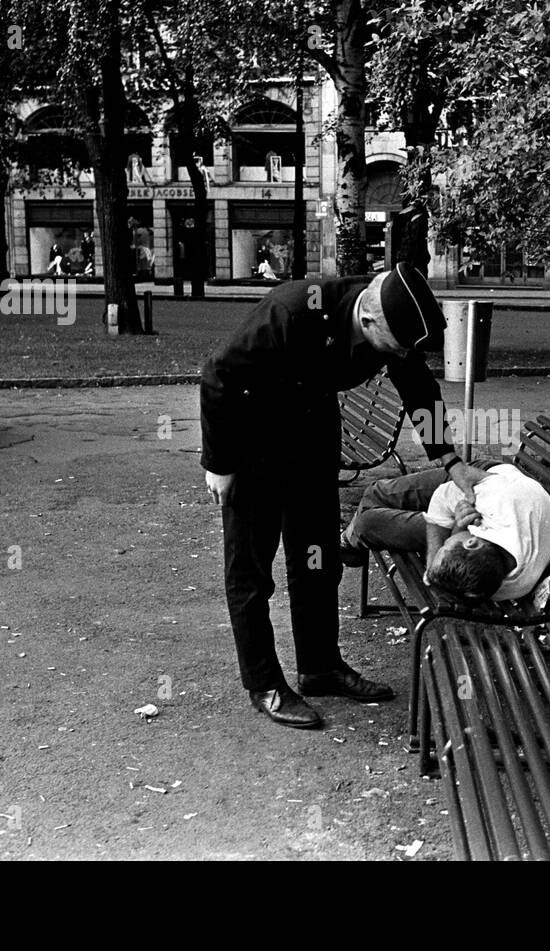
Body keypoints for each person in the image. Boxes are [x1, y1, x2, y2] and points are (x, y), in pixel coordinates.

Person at [200, 262, 490, 729]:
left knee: (316, 559)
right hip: (253, 441)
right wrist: (219, 463)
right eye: (393, 348)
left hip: (311, 441)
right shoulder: (294, 310)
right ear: (370, 320)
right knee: (251, 570)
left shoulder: (392, 324)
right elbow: (218, 375)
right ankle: (264, 684)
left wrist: (451, 463)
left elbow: (419, 388)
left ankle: (319, 667)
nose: (398, 357)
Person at [340, 463, 550, 603]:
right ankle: (349, 543)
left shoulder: (499, 583)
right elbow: (446, 495)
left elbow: (445, 582)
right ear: (472, 543)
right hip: (483, 478)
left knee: (368, 521)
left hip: (510, 504)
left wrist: (457, 528)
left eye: (444, 546)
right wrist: (447, 539)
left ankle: (349, 543)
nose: (443, 544)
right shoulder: (497, 506)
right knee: (376, 493)